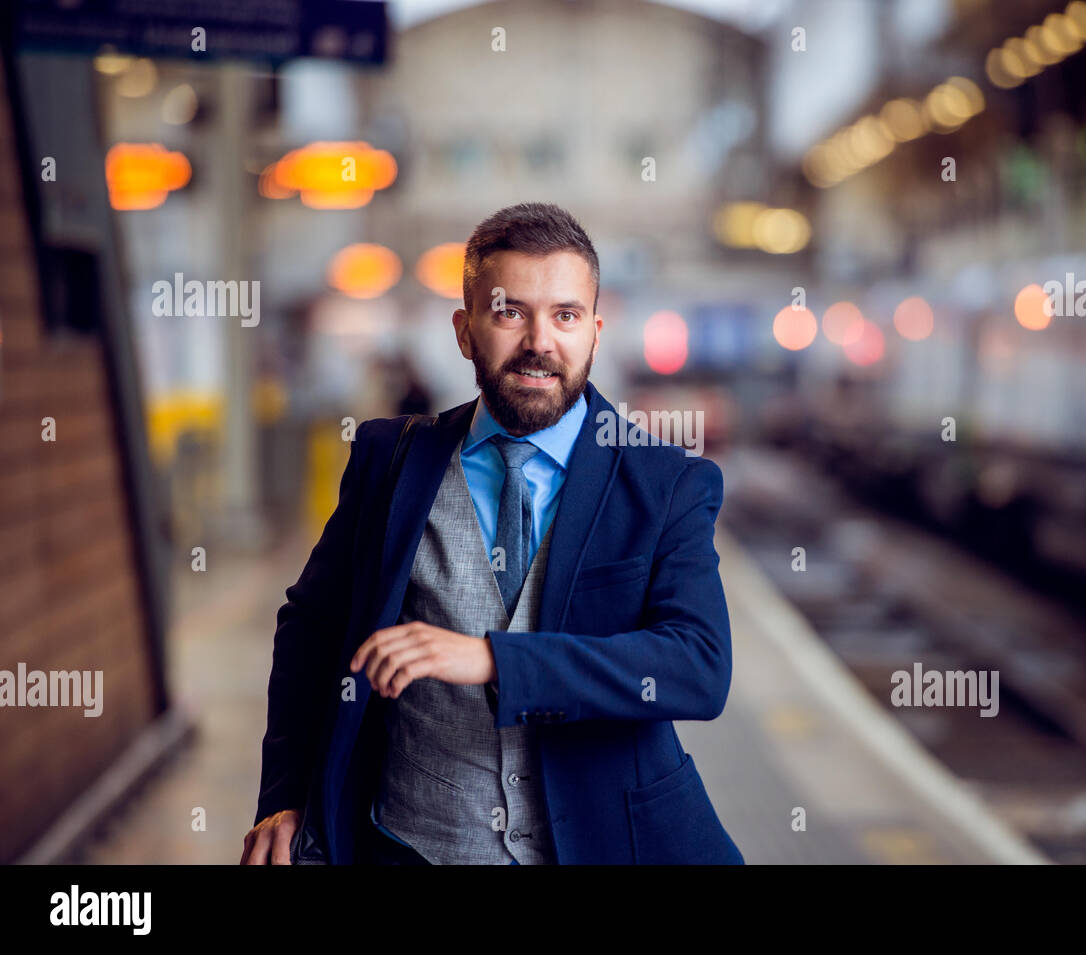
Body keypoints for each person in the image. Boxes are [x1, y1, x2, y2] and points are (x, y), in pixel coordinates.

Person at [242, 202, 743, 865]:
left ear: (594, 332)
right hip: (413, 845)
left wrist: (494, 659)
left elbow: (698, 667)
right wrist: (284, 792)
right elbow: (309, 626)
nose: (540, 340)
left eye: (565, 315)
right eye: (511, 311)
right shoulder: (390, 462)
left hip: (604, 846)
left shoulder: (668, 483)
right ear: (465, 330)